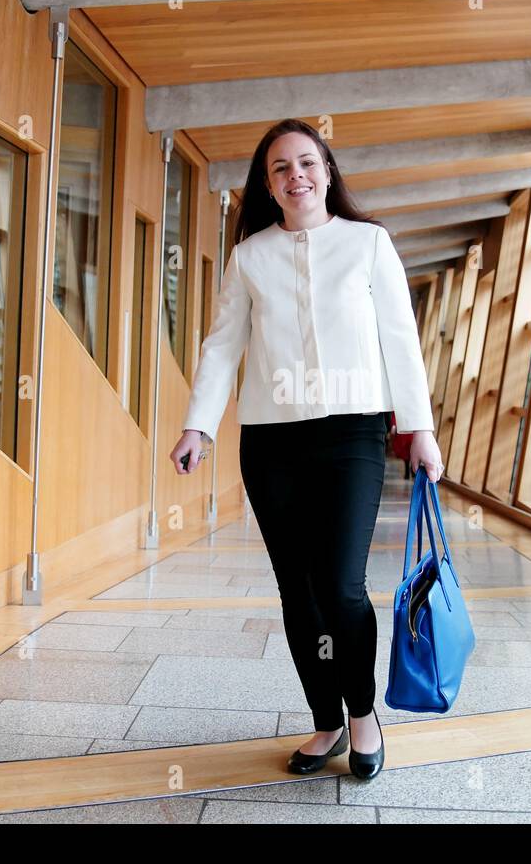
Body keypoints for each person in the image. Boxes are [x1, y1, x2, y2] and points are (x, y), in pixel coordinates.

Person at [170, 118, 443, 780]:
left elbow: (400, 341)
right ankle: (326, 721)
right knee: (300, 593)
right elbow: (222, 345)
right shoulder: (250, 256)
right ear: (268, 186)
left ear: (326, 170)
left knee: (344, 587)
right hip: (271, 441)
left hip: (353, 433)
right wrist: (199, 424)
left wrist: (421, 429)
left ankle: (363, 714)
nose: (296, 176)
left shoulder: (369, 244)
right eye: (280, 169)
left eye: (306, 162)